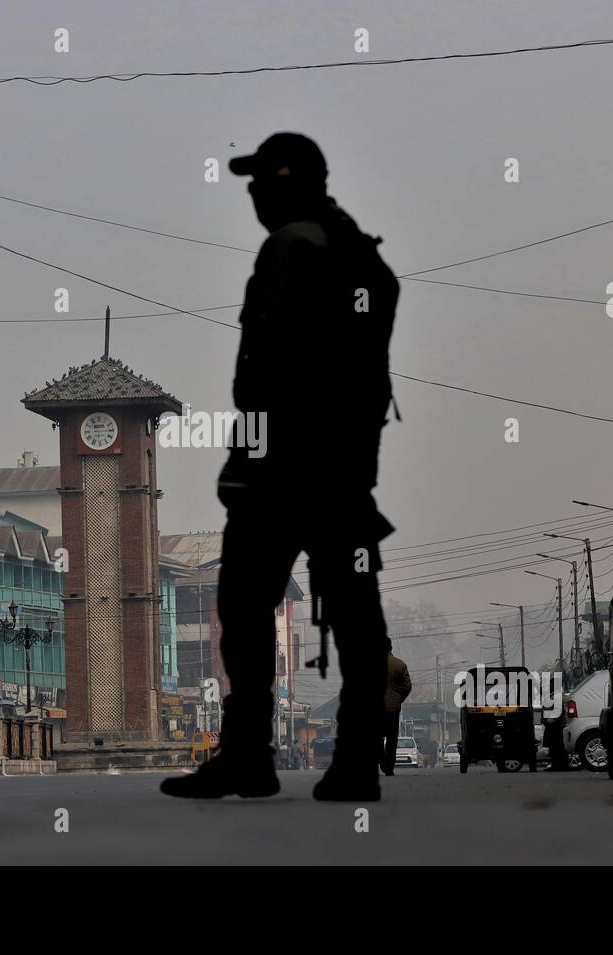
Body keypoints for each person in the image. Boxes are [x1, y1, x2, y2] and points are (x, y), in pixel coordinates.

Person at [161, 133, 399, 802]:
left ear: (287, 184)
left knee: (243, 604)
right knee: (356, 612)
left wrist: (248, 460)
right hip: (345, 470)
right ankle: (354, 762)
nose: (253, 195)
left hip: (285, 470)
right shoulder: (360, 253)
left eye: (261, 182)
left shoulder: (292, 248)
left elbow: (268, 371)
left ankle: (247, 756)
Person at [381, 638, 413, 775]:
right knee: (392, 738)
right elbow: (407, 686)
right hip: (393, 707)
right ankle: (389, 767)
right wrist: (399, 698)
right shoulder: (399, 664)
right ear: (391, 648)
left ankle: (382, 759)